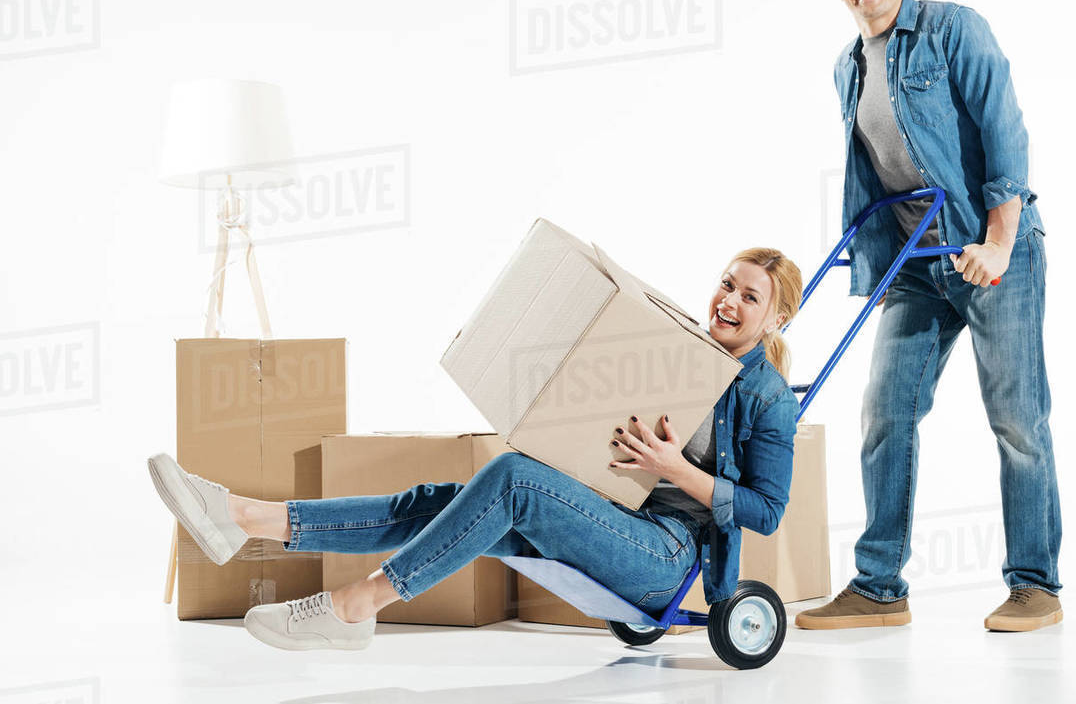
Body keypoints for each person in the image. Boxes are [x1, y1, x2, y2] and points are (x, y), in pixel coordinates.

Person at [148, 248, 804, 650]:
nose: (729, 300)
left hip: (666, 553)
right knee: (440, 501)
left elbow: (765, 511)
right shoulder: (683, 349)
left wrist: (675, 469)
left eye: (751, 296)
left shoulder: (769, 398)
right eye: (727, 282)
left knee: (512, 478)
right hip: (616, 517)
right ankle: (244, 518)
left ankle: (357, 605)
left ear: (775, 320)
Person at [792, 0, 1063, 634]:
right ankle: (880, 587)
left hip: (994, 251)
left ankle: (1035, 583)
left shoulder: (953, 31)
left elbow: (1006, 134)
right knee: (885, 411)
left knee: (1016, 419)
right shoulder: (845, 68)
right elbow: (877, 170)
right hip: (919, 263)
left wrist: (999, 243)